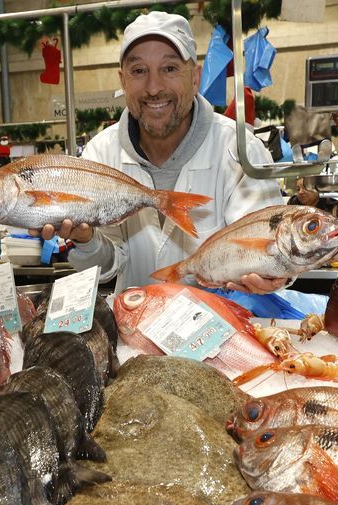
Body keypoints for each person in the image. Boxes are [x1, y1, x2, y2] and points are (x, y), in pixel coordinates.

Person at [39, 11, 283, 293]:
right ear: (123, 81)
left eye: (169, 69)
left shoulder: (241, 150)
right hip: (134, 328)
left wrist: (274, 273)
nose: (154, 88)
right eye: (139, 71)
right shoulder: (100, 155)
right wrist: (85, 239)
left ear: (195, 77)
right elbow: (106, 269)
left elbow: (273, 244)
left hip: (222, 328)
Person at [288, 178, 338, 246]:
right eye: (298, 189)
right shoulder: (291, 210)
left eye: (305, 188)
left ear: (318, 189)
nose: (300, 192)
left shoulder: (335, 208)